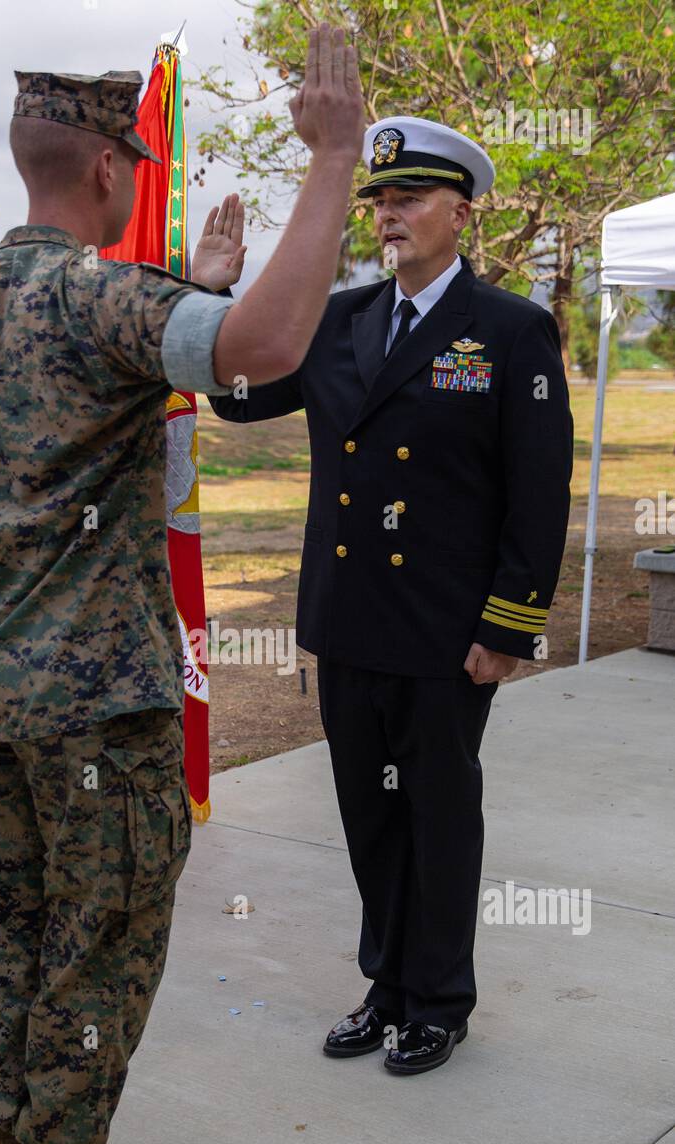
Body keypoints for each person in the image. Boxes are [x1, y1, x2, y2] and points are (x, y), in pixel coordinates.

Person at [0, 28, 366, 1144]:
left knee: (4, 934)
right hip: (95, 712)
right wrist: (332, 160)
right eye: (133, 166)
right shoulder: (102, 299)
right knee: (98, 937)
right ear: (106, 169)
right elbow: (265, 348)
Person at [207, 115, 573, 1077]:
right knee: (369, 816)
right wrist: (214, 295)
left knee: (438, 817)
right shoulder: (339, 319)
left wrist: (511, 624)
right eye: (379, 200)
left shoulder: (510, 329)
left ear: (462, 212)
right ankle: (388, 988)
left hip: (448, 632)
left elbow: (539, 492)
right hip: (350, 618)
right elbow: (237, 394)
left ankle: (439, 1002)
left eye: (410, 197)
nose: (388, 214)